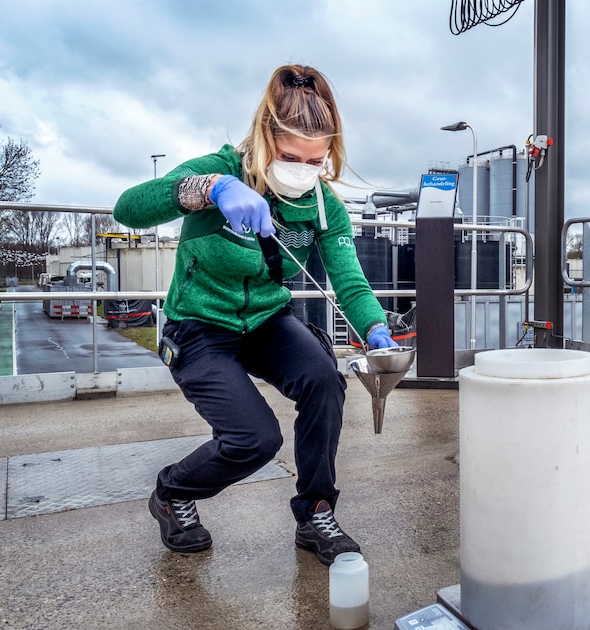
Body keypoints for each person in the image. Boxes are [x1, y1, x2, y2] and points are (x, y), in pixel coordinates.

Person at [114, 64, 397, 564]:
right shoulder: (220, 170)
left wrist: (376, 329)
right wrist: (209, 189)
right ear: (265, 136)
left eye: (316, 160)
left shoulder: (321, 205)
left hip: (267, 320)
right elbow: (128, 208)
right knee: (254, 440)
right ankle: (174, 491)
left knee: (324, 380)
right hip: (200, 325)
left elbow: (349, 278)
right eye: (290, 156)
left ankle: (315, 511)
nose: (302, 170)